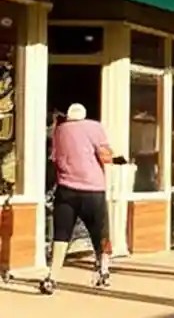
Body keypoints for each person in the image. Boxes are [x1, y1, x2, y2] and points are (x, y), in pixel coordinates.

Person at [40, 103, 113, 295]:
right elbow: (106, 156)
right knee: (101, 233)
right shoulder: (94, 127)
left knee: (61, 235)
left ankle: (52, 277)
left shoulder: (59, 131)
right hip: (93, 190)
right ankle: (103, 270)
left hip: (66, 190)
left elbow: (55, 159)